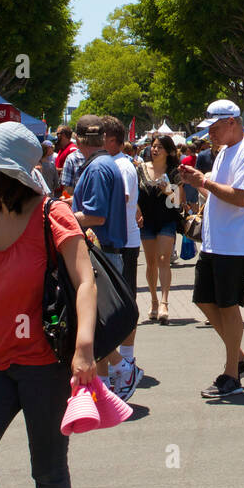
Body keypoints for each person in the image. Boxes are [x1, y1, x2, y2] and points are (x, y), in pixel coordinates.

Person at [0, 121, 97, 488]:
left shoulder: (54, 215)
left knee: (48, 474)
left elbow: (85, 281)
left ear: (9, 174)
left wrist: (84, 348)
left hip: (45, 366)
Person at [177, 100, 244, 398]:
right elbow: (219, 193)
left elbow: (241, 198)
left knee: (228, 306)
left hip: (234, 242)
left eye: (214, 128)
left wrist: (204, 182)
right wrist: (197, 182)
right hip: (217, 241)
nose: (209, 134)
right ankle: (239, 358)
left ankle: (232, 375)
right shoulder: (226, 152)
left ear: (232, 122)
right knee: (204, 300)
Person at [68, 115, 138, 400]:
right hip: (107, 252)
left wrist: (65, 217)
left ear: (80, 140)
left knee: (96, 324)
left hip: (102, 254)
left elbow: (95, 215)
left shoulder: (97, 168)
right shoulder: (105, 164)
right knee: (97, 323)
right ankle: (106, 385)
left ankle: (121, 369)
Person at [101, 116, 144, 389]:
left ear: (111, 139)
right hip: (118, 241)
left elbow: (125, 198)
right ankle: (122, 363)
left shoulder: (122, 166)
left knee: (123, 305)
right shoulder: (112, 163)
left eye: (99, 135)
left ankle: (126, 363)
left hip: (124, 243)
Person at [138, 134, 182, 324]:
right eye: (153, 146)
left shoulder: (173, 171)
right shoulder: (140, 169)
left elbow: (179, 201)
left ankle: (164, 302)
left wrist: (169, 191)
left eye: (160, 147)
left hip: (167, 219)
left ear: (169, 151)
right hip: (146, 221)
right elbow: (133, 195)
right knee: (151, 262)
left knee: (164, 259)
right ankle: (154, 301)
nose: (155, 150)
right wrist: (137, 212)